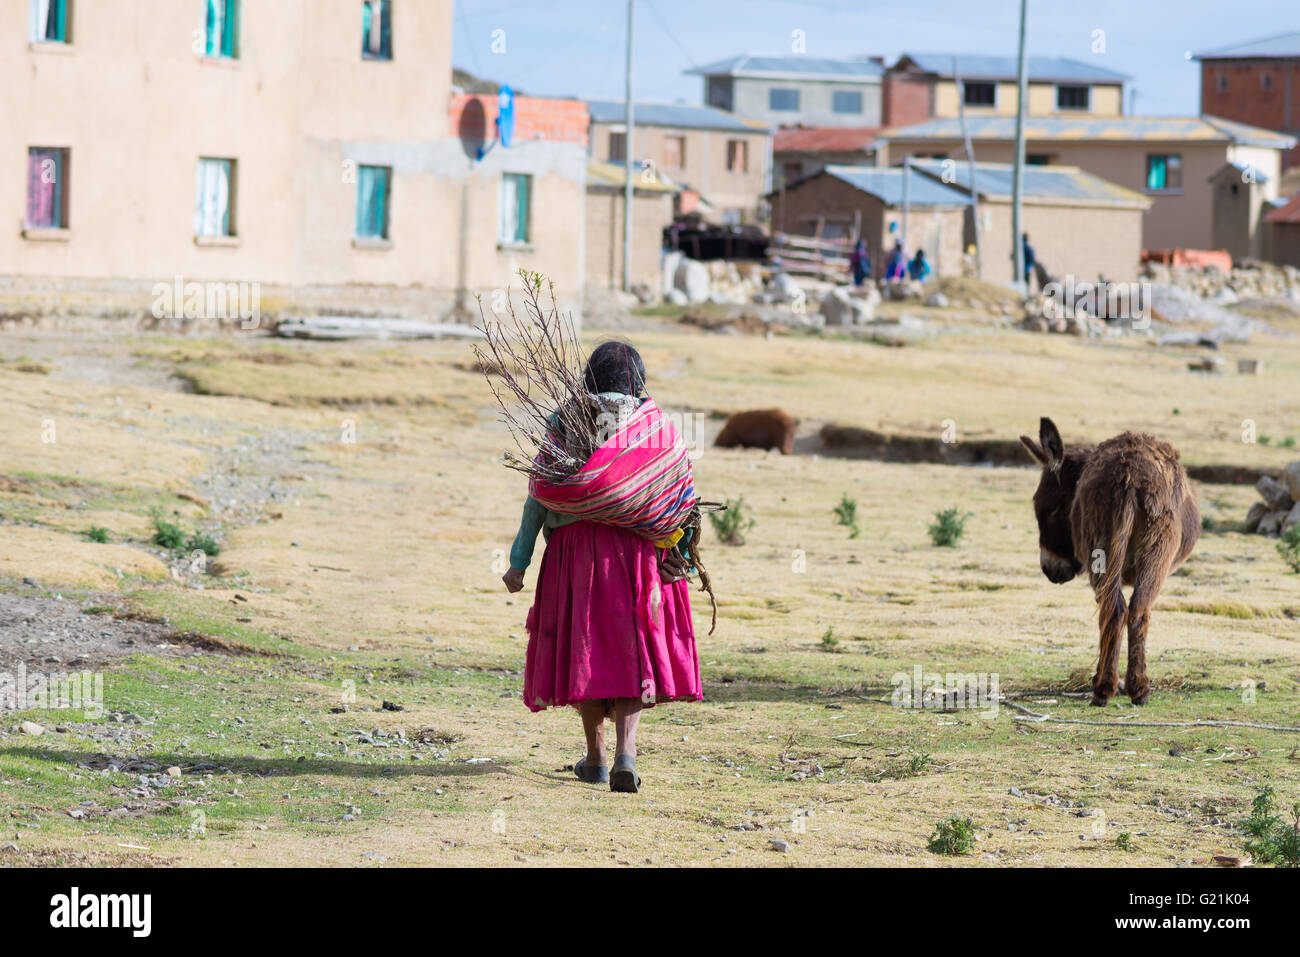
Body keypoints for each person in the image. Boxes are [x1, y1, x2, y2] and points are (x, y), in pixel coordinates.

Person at [502, 341, 702, 794]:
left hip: (574, 552)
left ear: (589, 377)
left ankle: (594, 758)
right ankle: (625, 757)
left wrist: (519, 561)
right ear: (638, 380)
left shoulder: (568, 420)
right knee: (630, 653)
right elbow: (681, 497)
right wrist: (682, 558)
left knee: (584, 648)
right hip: (634, 555)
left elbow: (538, 495)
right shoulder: (654, 427)